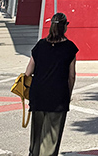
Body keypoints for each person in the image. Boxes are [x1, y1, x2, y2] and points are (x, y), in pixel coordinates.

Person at [24, 12, 78, 156]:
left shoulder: (40, 45)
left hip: (38, 95)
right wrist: (69, 94)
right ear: (64, 27)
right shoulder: (70, 48)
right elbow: (71, 76)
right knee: (51, 138)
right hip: (58, 97)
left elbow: (28, 71)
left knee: (36, 136)